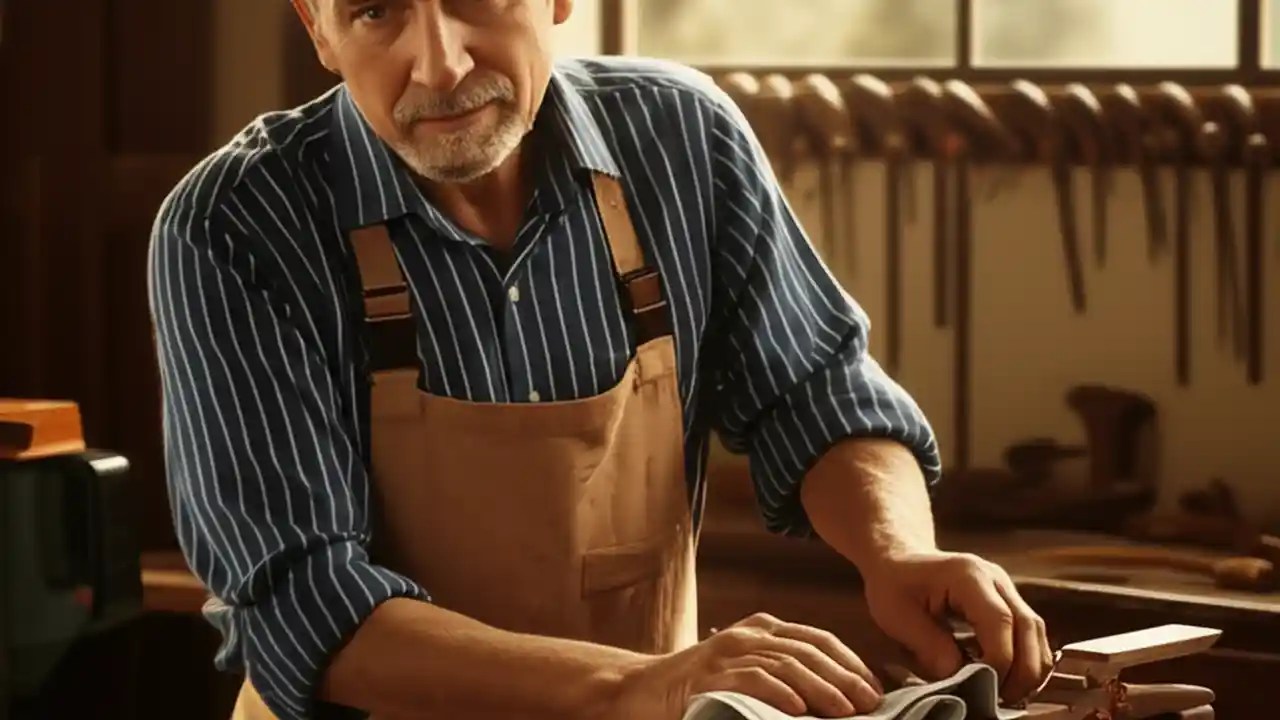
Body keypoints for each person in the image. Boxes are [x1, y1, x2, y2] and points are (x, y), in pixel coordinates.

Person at [148, 1, 1053, 718]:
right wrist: (637, 688)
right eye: (377, 11)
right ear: (317, 28)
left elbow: (814, 394)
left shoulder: (683, 140)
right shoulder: (234, 227)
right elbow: (307, 607)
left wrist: (899, 553)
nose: (442, 65)